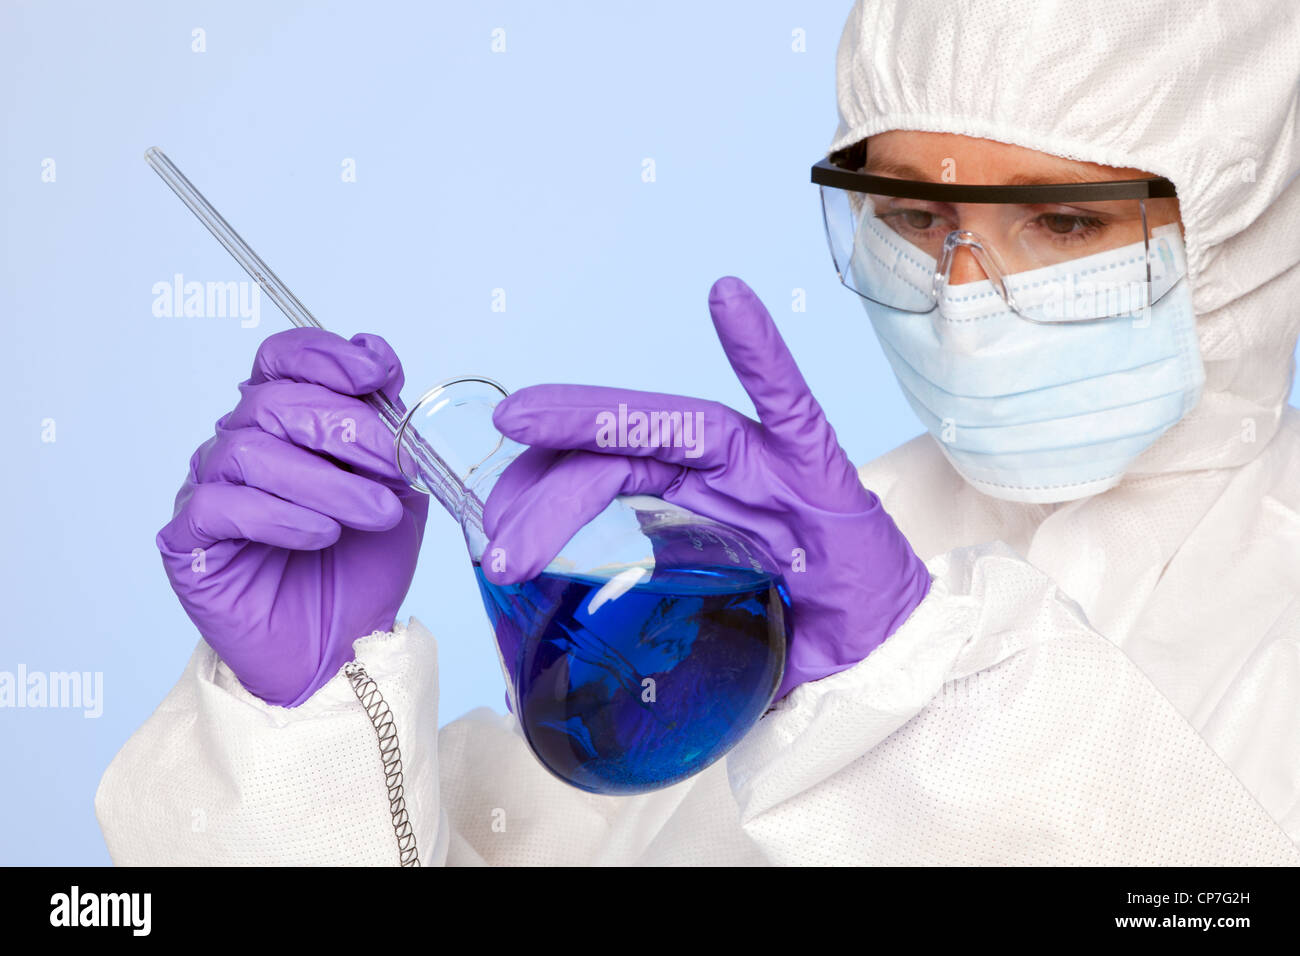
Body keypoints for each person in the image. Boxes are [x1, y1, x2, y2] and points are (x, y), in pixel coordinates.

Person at [96, 0, 1300, 865]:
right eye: (918, 215)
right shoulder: (758, 579)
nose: (966, 297)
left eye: (1067, 224)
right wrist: (310, 735)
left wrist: (916, 707)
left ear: (1244, 213)